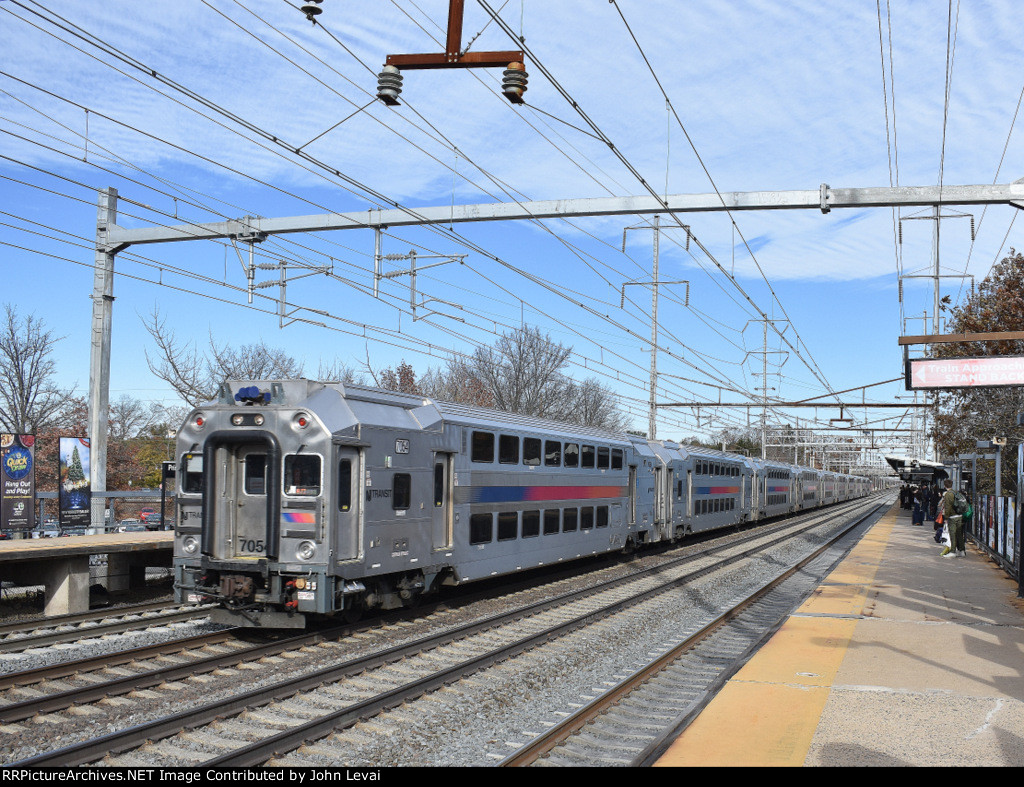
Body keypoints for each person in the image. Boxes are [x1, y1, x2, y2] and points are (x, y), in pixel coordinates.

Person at [939, 479, 965, 558]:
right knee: (959, 534)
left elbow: (948, 507)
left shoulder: (948, 494)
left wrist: (946, 518)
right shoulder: (956, 492)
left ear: (945, 486)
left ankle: (953, 551)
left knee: (952, 534)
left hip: (952, 517)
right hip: (959, 516)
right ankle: (962, 551)